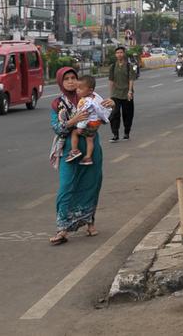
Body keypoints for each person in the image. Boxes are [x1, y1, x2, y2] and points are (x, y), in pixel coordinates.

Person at [48, 67, 114, 245]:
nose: (70, 81)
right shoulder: (57, 103)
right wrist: (73, 121)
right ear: (60, 82)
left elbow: (104, 117)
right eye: (66, 79)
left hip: (91, 148)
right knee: (66, 186)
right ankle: (62, 228)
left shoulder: (91, 98)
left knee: (91, 184)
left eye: (73, 78)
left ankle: (89, 222)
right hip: (69, 149)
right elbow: (57, 127)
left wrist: (111, 105)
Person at [66, 76, 111, 166]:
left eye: (80, 89)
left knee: (75, 133)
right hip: (95, 124)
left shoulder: (86, 102)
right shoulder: (95, 97)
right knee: (89, 139)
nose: (77, 90)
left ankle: (74, 150)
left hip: (89, 124)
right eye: (77, 88)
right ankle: (88, 157)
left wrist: (79, 127)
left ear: (90, 90)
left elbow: (83, 115)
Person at [107, 46, 136, 142]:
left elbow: (131, 79)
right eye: (117, 53)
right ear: (115, 55)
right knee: (114, 114)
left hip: (127, 93)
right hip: (116, 94)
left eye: (121, 52)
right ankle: (115, 134)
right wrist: (110, 95)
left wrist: (130, 91)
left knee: (128, 114)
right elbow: (111, 81)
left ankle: (126, 133)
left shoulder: (129, 66)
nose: (119, 54)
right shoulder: (113, 66)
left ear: (124, 54)